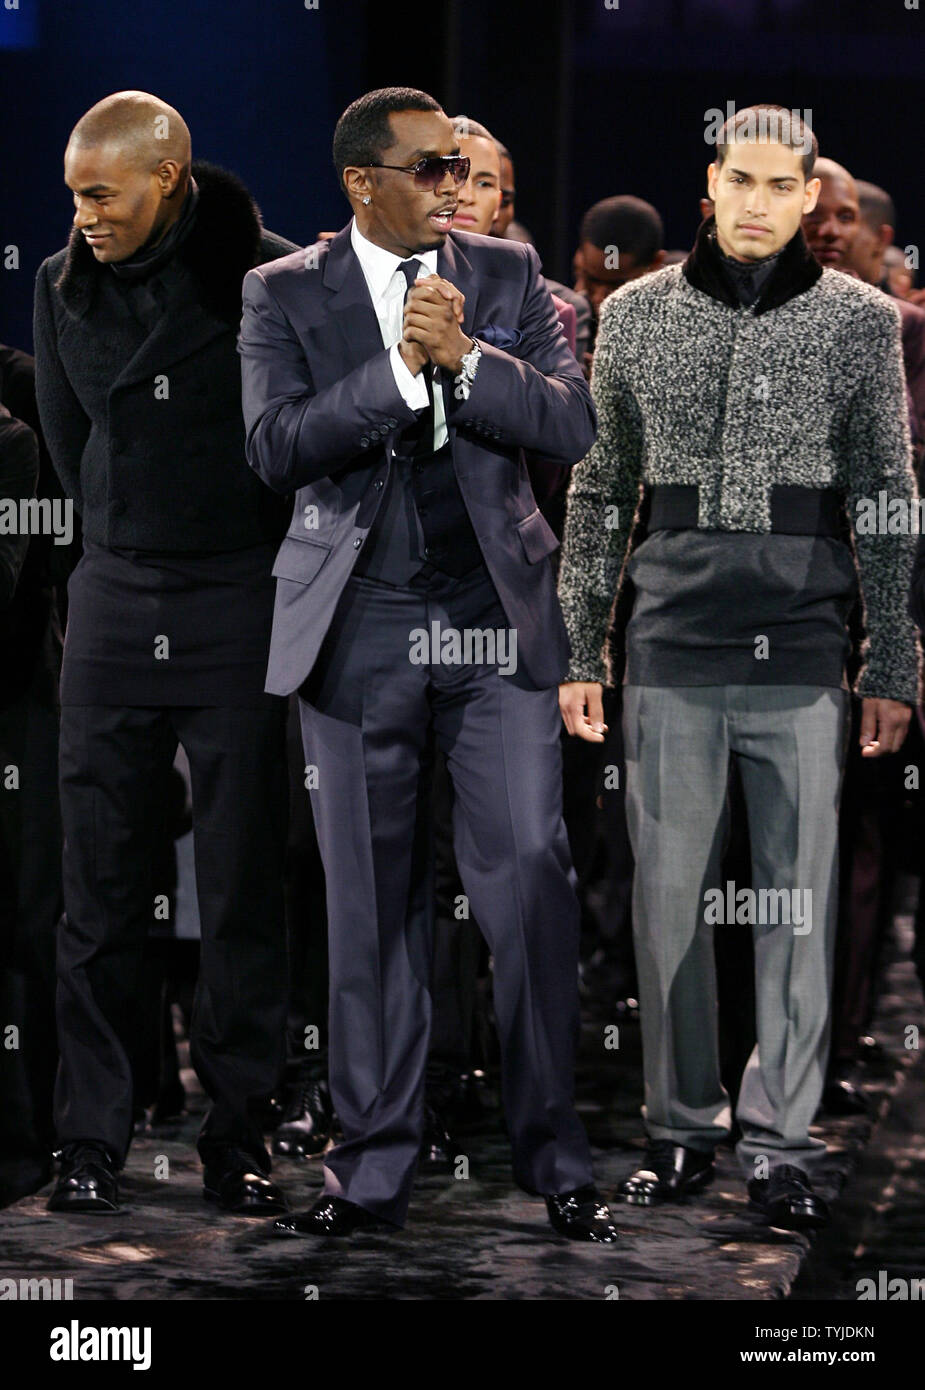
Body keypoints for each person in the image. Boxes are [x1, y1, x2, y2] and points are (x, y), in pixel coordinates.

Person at [239, 85, 616, 1242]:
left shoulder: (502, 276)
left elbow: (571, 423)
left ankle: (555, 1157)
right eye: (432, 168)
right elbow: (274, 446)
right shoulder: (280, 291)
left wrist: (466, 360)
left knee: (530, 889)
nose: (456, 187)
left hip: (494, 627)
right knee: (370, 908)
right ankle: (373, 1163)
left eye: (461, 167)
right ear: (363, 182)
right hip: (355, 629)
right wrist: (401, 377)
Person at [556, 104, 918, 1231]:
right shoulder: (635, 318)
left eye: (781, 184)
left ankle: (782, 1137)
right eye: (739, 179)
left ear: (810, 196)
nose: (759, 201)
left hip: (805, 646)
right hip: (668, 639)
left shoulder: (862, 322)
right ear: (707, 184)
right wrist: (582, 644)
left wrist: (891, 656)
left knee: (798, 905)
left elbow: (886, 498)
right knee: (667, 907)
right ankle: (678, 1128)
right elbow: (600, 486)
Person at [33, 91, 298, 1217]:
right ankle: (90, 1136)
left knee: (241, 882)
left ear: (170, 175)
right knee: (96, 885)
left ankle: (239, 1132)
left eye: (103, 192)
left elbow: (294, 442)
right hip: (113, 594)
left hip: (237, 593)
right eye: (73, 195)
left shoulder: (271, 276)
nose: (84, 215)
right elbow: (67, 440)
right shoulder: (58, 284)